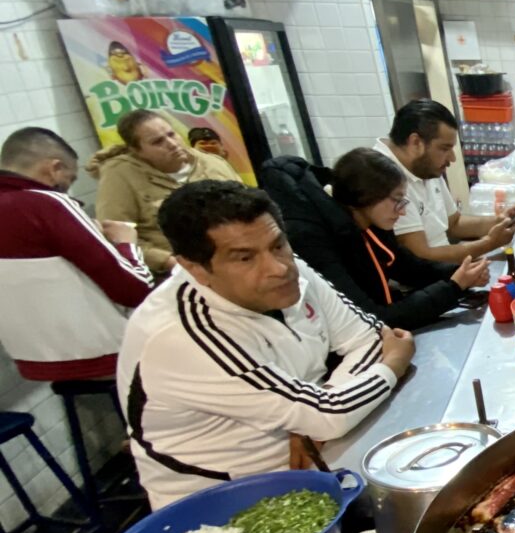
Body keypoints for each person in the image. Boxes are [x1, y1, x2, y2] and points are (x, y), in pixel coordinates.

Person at [118, 180, 414, 508]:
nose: (278, 267)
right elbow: (334, 411)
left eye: (278, 245)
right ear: (194, 268)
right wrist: (393, 365)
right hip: (230, 505)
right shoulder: (181, 333)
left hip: (320, 459)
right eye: (244, 258)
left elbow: (370, 340)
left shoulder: (288, 270)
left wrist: (313, 412)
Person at [258, 149, 487, 331]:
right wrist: (453, 287)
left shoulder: (371, 225)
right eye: (396, 200)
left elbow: (407, 266)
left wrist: (461, 272)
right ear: (365, 196)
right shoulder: (316, 241)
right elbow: (372, 317)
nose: (402, 211)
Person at [0, 127, 153, 381]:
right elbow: (134, 290)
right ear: (55, 168)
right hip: (109, 356)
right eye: (69, 181)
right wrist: (127, 242)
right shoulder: (49, 204)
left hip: (32, 361)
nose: (67, 191)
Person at [92, 109, 243, 276]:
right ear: (137, 151)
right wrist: (168, 262)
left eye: (172, 134)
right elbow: (115, 236)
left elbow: (249, 211)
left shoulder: (213, 163)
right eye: (157, 142)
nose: (172, 143)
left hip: (235, 260)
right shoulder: (119, 175)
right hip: (172, 272)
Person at [376, 100, 515, 265]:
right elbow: (422, 257)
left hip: (445, 269)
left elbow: (454, 223)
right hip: (426, 276)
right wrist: (489, 243)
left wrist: (503, 221)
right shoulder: (383, 178)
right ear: (415, 142)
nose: (452, 158)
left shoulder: (424, 167)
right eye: (444, 148)